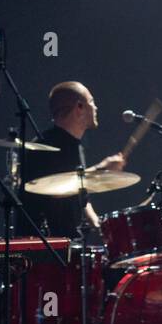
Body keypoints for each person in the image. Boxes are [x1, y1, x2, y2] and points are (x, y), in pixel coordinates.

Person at [19, 81, 127, 239]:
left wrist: (99, 225)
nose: (96, 107)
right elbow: (58, 187)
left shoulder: (76, 146)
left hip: (70, 242)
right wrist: (100, 170)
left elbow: (82, 198)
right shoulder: (44, 147)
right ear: (79, 108)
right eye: (91, 102)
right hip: (45, 246)